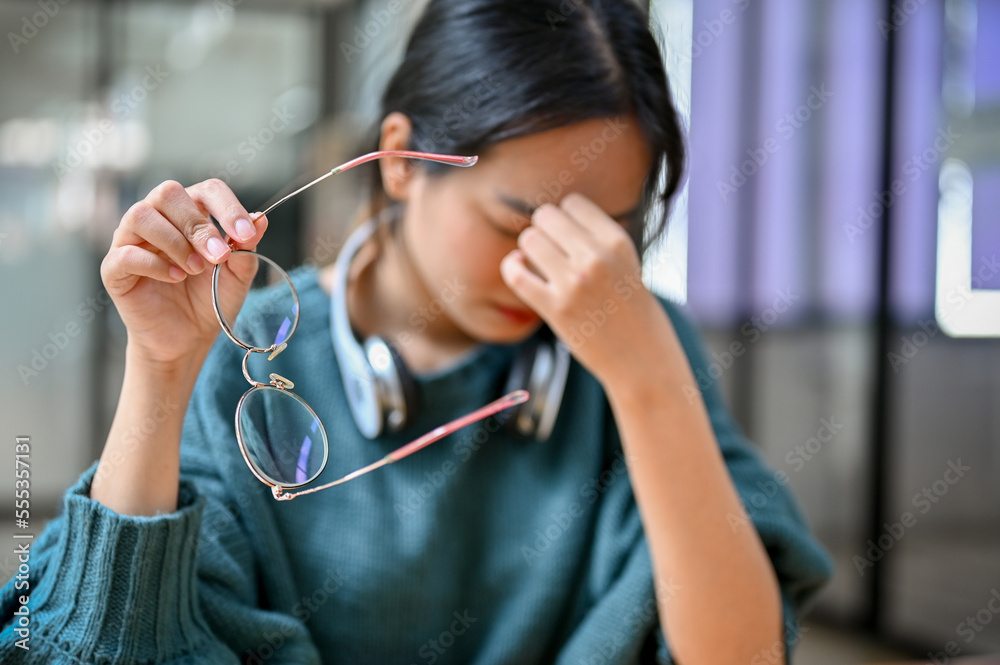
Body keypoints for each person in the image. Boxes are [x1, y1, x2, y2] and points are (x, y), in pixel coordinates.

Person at [0, 0, 832, 663]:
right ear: (400, 159)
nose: (565, 275)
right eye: (519, 221)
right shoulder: (243, 356)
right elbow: (90, 650)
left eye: (606, 235)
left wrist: (649, 381)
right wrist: (160, 369)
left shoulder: (639, 347)